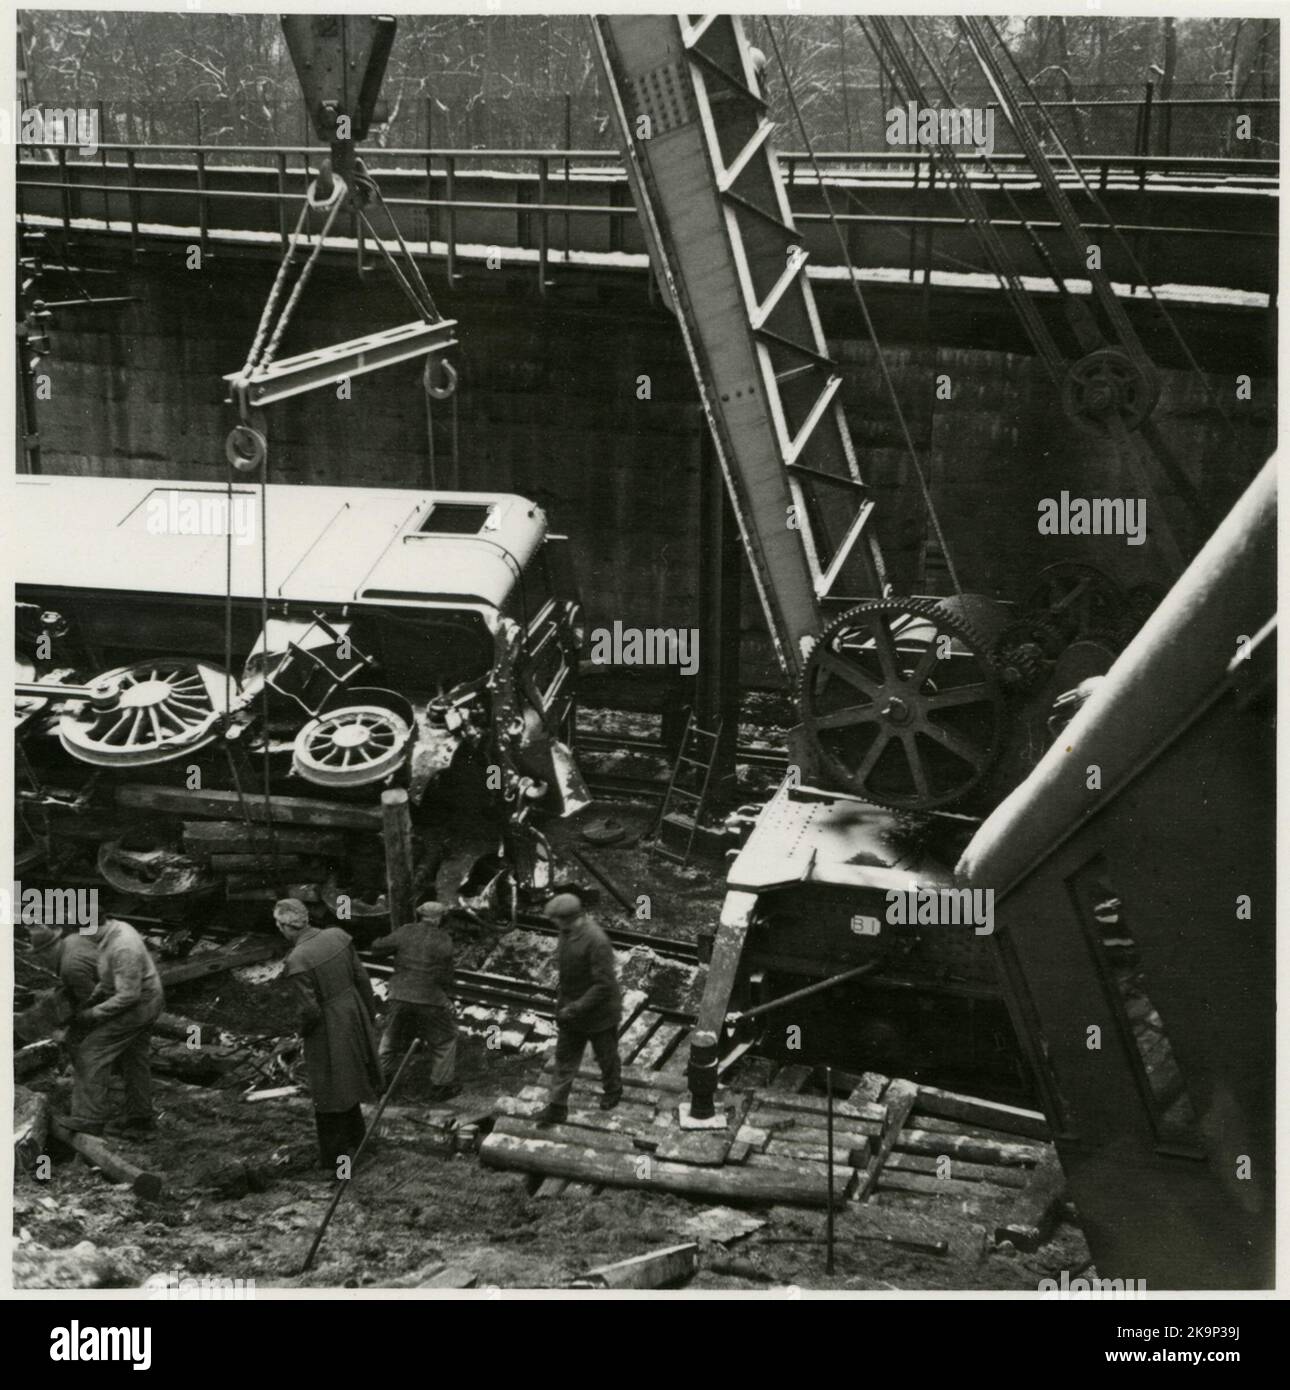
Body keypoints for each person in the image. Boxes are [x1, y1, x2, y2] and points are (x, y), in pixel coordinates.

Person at [275, 898, 383, 1170]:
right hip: (353, 1012)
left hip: (328, 1026)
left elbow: (309, 1011)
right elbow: (362, 979)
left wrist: (301, 1035)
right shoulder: (337, 936)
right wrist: (367, 1016)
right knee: (349, 1081)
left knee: (327, 1091)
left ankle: (335, 1159)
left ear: (287, 927)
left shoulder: (298, 959)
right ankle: (359, 1142)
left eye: (279, 925)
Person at [65, 918, 165, 1139]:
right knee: (134, 1058)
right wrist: (92, 999)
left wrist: (92, 1014)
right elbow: (111, 976)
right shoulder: (113, 931)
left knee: (91, 1051)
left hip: (139, 1006)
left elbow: (129, 995)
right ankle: (141, 1119)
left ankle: (89, 1119)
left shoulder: (123, 946)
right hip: (146, 999)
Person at [536, 891, 622, 1124]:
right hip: (572, 1010)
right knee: (564, 1058)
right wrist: (562, 1005)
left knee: (606, 1056)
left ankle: (613, 1090)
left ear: (567, 918)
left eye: (555, 918)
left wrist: (575, 1008)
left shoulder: (596, 940)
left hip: (600, 1013)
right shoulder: (566, 933)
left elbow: (603, 984)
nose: (553, 922)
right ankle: (557, 1107)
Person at [368, 901, 461, 1102]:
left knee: (390, 1039)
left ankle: (383, 1082)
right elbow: (447, 979)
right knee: (446, 1039)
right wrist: (444, 999)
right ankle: (440, 1087)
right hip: (430, 998)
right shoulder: (445, 940)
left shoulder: (405, 931)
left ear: (420, 916)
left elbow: (377, 948)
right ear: (440, 919)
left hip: (399, 996)